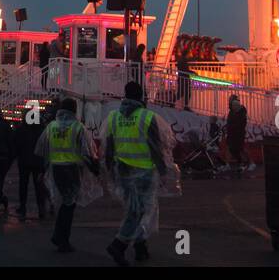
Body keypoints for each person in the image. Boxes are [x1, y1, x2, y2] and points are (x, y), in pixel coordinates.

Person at [102, 81, 173, 267]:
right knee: (139, 211)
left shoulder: (113, 117)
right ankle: (119, 244)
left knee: (133, 208)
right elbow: (156, 147)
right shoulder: (148, 117)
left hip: (122, 170)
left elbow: (109, 146)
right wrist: (164, 170)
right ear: (141, 96)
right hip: (143, 171)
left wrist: (109, 169)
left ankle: (141, 248)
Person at [35, 97, 101, 252]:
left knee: (66, 203)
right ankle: (61, 238)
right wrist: (94, 169)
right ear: (74, 110)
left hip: (56, 169)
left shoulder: (51, 127)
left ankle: (60, 236)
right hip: (71, 170)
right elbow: (87, 153)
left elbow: (41, 150)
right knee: (69, 205)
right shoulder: (78, 128)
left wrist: (42, 170)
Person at [12, 100, 50, 221]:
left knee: (23, 185)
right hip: (38, 162)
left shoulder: (21, 129)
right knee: (39, 186)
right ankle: (41, 208)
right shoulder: (42, 130)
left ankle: (23, 207)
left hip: (24, 162)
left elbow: (16, 145)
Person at [225, 95, 248, 176]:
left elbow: (239, 122)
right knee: (230, 147)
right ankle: (230, 163)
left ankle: (247, 162)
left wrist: (231, 126)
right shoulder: (232, 111)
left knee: (239, 148)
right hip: (232, 132)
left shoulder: (241, 110)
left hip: (238, 132)